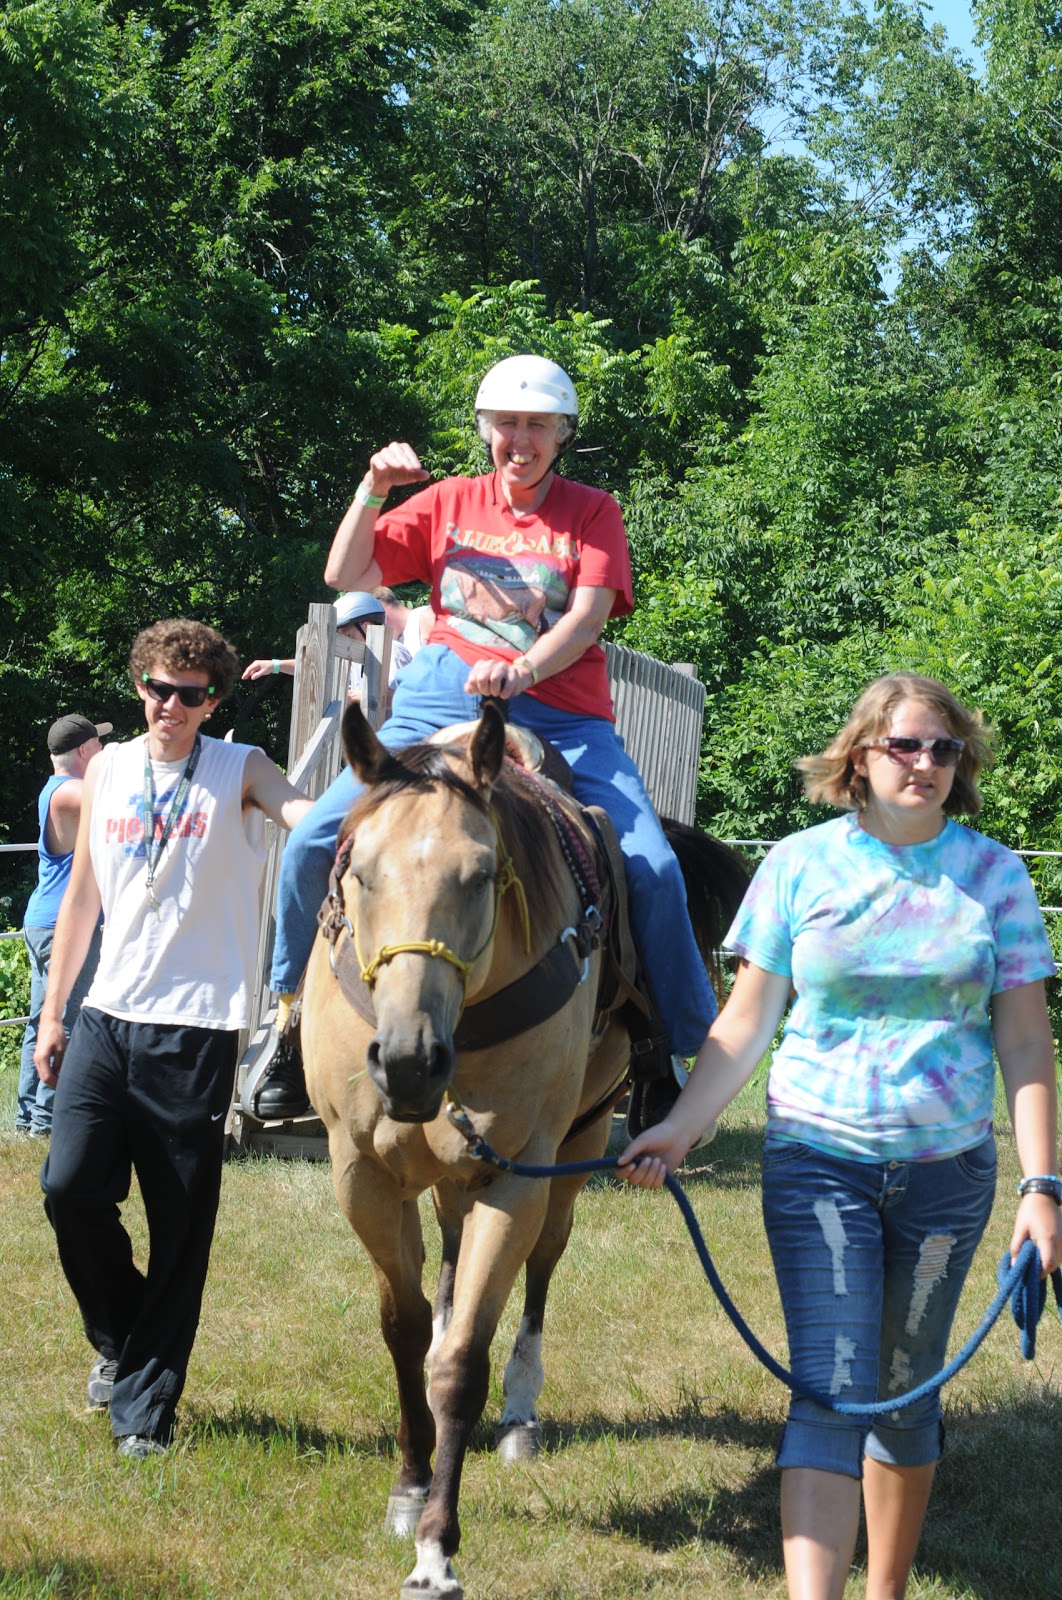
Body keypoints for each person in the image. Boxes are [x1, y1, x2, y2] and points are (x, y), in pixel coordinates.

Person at [619, 672, 1062, 1600]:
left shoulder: (996, 877)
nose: (926, 763)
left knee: (905, 1393)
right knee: (830, 1388)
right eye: (906, 744)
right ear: (860, 756)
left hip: (947, 1176)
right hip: (819, 1165)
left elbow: (1025, 1041)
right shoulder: (800, 866)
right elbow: (746, 1023)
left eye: (944, 749)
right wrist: (680, 1127)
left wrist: (1042, 1187)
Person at [251, 352, 719, 1119]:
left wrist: (522, 670)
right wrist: (373, 488)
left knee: (654, 867)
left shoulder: (592, 511)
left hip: (562, 713)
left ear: (563, 434)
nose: (520, 439)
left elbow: (587, 618)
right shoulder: (447, 502)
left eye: (537, 425)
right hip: (432, 710)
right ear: (485, 429)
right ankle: (290, 1022)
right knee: (308, 843)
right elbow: (346, 573)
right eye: (506, 423)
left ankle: (664, 1049)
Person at [34, 620, 313, 1459]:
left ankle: (143, 1413)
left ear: (214, 700)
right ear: (139, 686)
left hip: (197, 1026)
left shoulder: (240, 767)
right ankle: (123, 1340)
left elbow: (304, 814)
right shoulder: (110, 770)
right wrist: (53, 1013)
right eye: (160, 689)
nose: (172, 706)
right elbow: (83, 896)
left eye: (192, 695)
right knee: (69, 1188)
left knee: (180, 1224)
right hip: (106, 1015)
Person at [16, 714, 112, 1138]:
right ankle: (45, 1119)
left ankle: (27, 1117)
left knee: (42, 1019)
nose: (104, 752)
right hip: (63, 927)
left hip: (44, 921)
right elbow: (119, 796)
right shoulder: (71, 792)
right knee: (65, 1019)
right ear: (84, 750)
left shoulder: (54, 789)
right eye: (100, 745)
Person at [241, 590, 408, 689]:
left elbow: (399, 699)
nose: (344, 641)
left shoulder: (392, 651)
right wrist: (275, 665)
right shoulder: (357, 660)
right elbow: (317, 665)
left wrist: (353, 698)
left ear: (366, 626)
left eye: (348, 636)